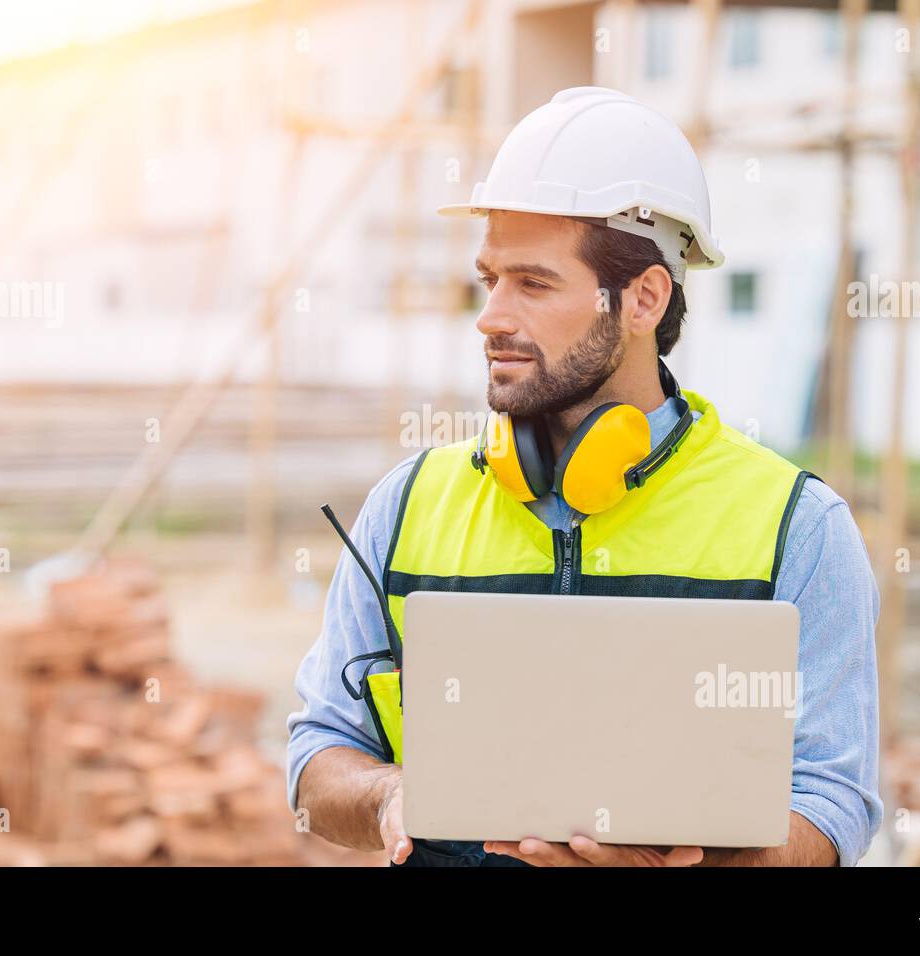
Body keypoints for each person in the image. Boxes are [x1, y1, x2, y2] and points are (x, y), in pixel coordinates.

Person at [287, 88, 882, 867]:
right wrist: (389, 794)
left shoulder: (795, 525)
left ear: (643, 297)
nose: (491, 317)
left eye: (532, 284)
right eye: (489, 278)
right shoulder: (407, 507)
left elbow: (833, 804)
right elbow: (319, 755)